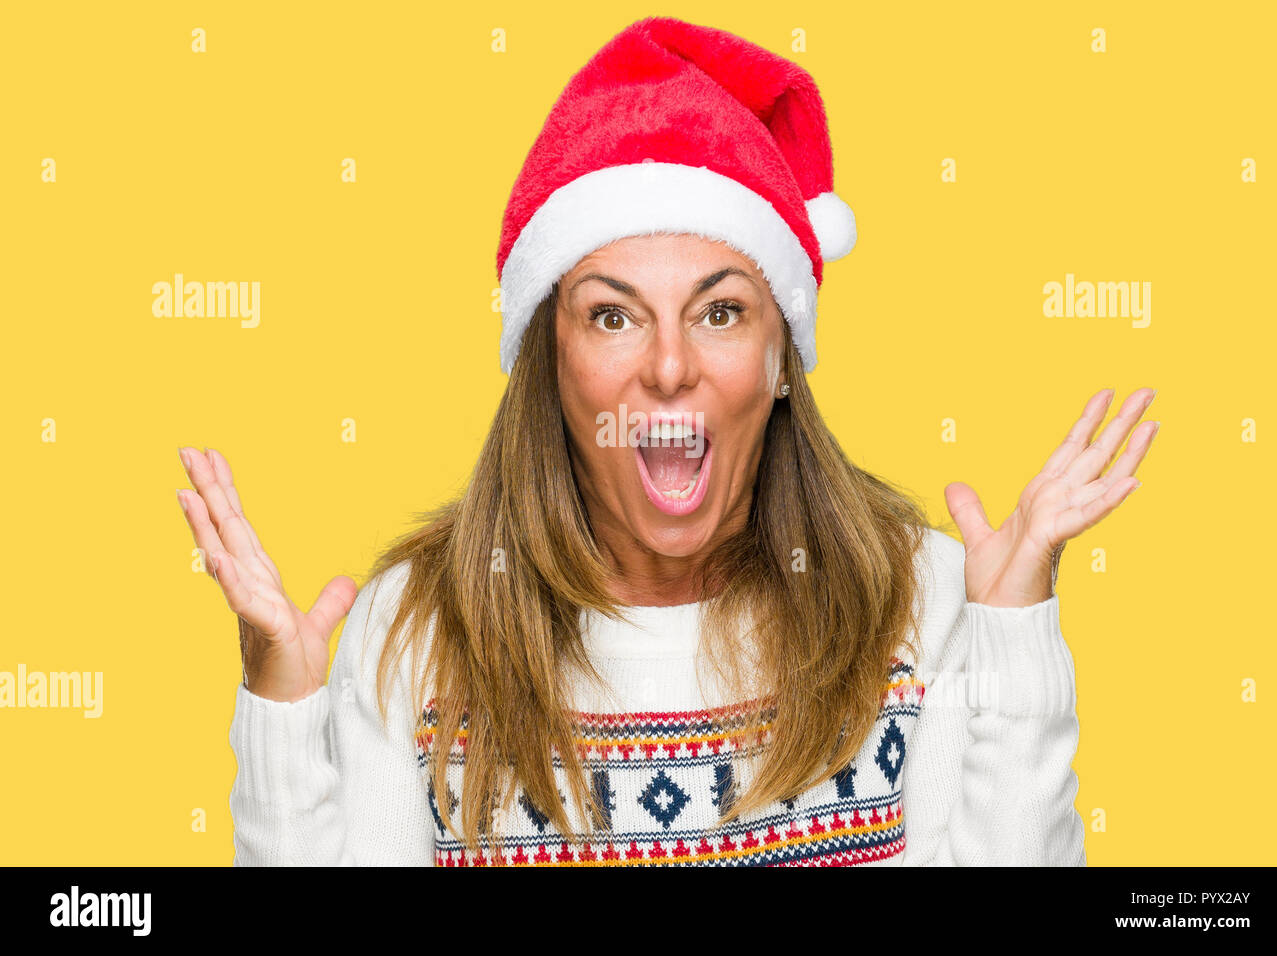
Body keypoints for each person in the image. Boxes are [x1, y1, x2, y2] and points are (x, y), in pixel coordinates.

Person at [176, 16, 1156, 866]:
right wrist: (283, 709)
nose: (670, 365)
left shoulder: (923, 601)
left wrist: (1014, 632)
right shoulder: (419, 629)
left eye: (721, 311)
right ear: (549, 360)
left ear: (782, 359)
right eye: (612, 317)